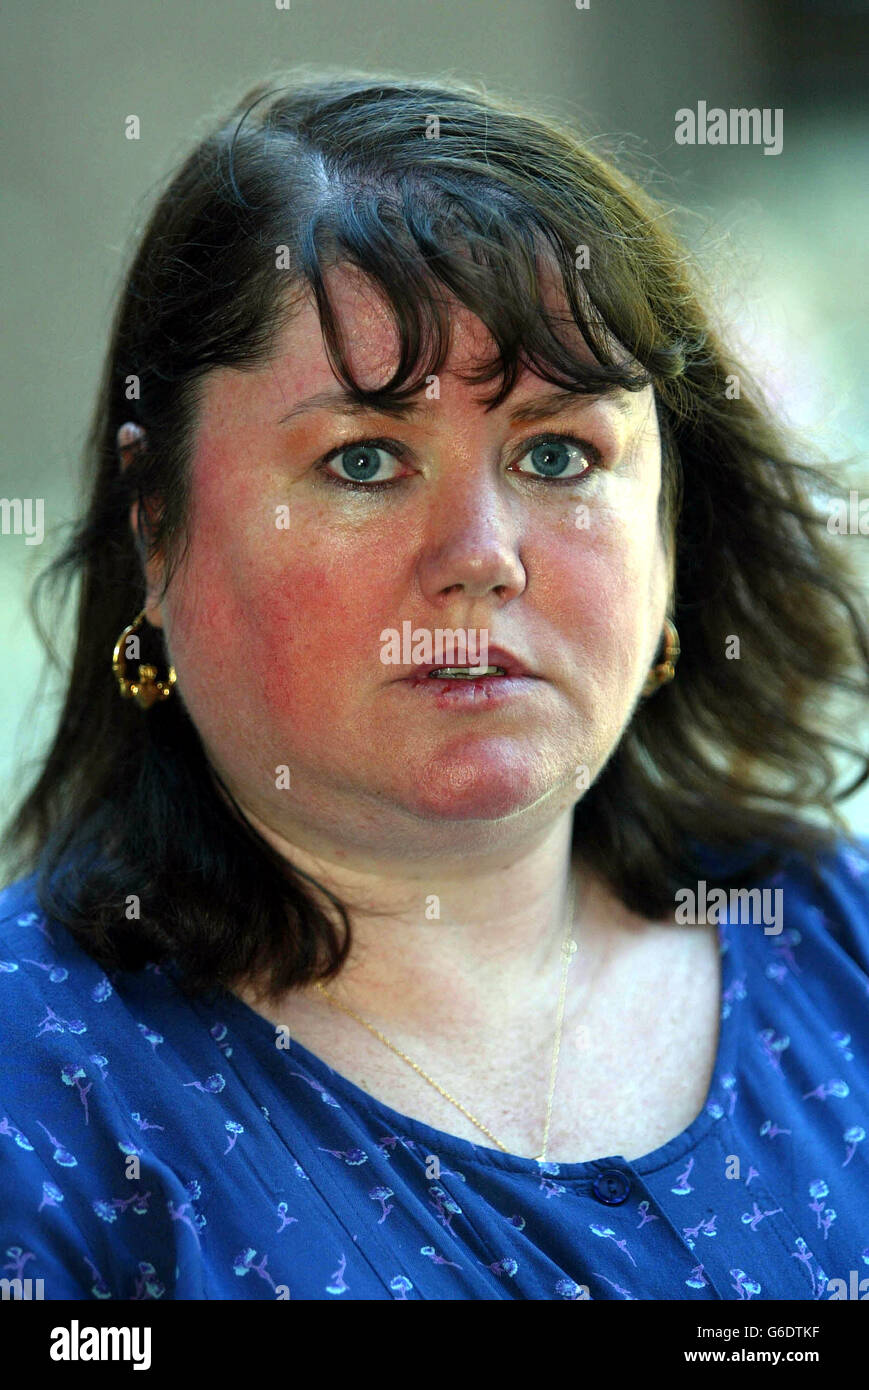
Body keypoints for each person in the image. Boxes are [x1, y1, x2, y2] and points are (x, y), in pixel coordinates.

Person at [1, 70, 867, 1303]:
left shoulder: (833, 942)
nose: (479, 554)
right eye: (364, 459)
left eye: (558, 453)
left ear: (671, 528)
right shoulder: (39, 1101)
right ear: (156, 531)